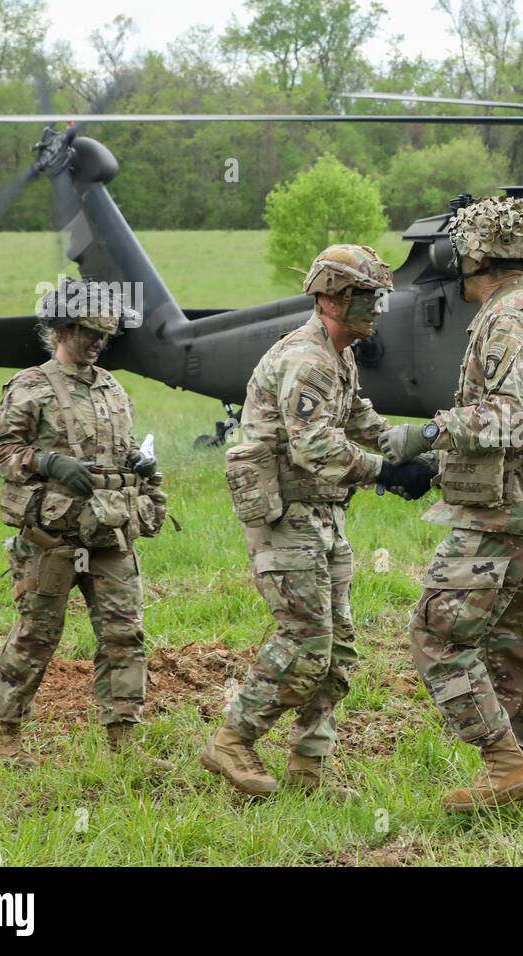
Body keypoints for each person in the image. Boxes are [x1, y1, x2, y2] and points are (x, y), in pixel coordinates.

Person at [379, 195, 523, 812]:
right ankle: (517, 768)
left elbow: (506, 417)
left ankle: (502, 763)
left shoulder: (507, 319)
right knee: (514, 641)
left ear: (474, 257)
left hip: (511, 511)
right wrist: (440, 468)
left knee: (437, 634)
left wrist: (424, 434)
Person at [203, 245, 434, 798]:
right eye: (367, 297)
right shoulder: (306, 360)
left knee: (339, 651)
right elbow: (314, 447)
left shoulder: (339, 356)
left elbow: (359, 419)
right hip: (286, 516)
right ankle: (232, 739)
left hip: (322, 514)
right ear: (331, 299)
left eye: (379, 298)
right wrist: (386, 473)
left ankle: (309, 769)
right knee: (305, 642)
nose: (378, 309)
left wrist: (415, 448)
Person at [0, 278, 170, 771]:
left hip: (109, 532)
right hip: (52, 537)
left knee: (124, 634)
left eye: (104, 336)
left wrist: (138, 464)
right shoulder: (31, 386)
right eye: (90, 333)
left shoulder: (112, 387)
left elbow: (120, 450)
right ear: (62, 329)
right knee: (37, 635)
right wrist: (46, 462)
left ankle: (122, 741)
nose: (98, 343)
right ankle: (7, 735)